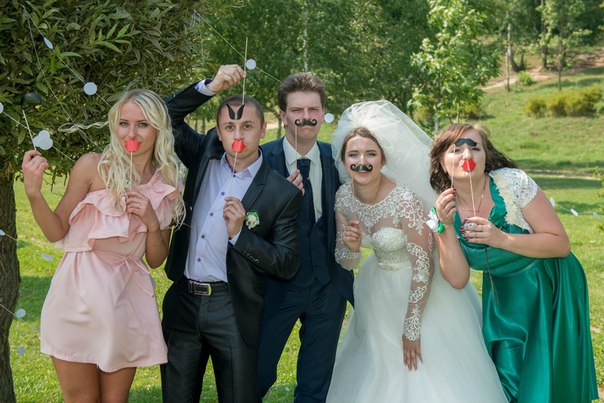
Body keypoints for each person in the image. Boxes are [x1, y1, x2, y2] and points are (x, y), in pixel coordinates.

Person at [326, 101, 507, 403]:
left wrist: (411, 327)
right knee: (380, 366)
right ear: (344, 160)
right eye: (353, 154)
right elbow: (346, 261)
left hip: (422, 290)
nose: (362, 161)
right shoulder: (344, 197)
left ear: (383, 159)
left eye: (371, 154)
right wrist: (352, 246)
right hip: (377, 292)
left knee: (422, 369)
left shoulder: (404, 200)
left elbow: (424, 265)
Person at [22, 89, 184, 402]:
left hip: (125, 300)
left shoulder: (168, 183)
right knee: (82, 399)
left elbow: (156, 259)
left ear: (159, 129)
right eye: (124, 123)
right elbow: (56, 231)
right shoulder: (92, 166)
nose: (131, 133)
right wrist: (33, 194)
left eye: (142, 124)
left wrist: (152, 223)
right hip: (76, 295)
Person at [160, 65, 303, 403]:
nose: (238, 133)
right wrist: (211, 87)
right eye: (229, 126)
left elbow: (287, 262)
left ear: (263, 130)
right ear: (219, 132)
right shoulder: (202, 156)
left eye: (247, 126)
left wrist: (240, 235)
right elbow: (164, 115)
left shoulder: (281, 192)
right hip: (183, 302)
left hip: (233, 308)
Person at [430, 123, 598, 403]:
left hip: (549, 282)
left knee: (549, 376)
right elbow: (458, 279)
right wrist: (445, 226)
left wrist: (501, 239)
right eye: (456, 150)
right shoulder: (441, 209)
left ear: (486, 156)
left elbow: (560, 244)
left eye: (475, 147)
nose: (467, 155)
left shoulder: (511, 183)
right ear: (441, 161)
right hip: (503, 298)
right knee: (509, 379)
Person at [257, 72, 354, 402]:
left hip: (328, 287)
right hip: (274, 288)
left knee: (316, 386)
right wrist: (276, 202)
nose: (306, 117)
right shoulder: (260, 160)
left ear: (323, 112)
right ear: (283, 115)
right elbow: (246, 223)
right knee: (256, 376)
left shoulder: (339, 159)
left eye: (313, 109)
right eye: (297, 110)